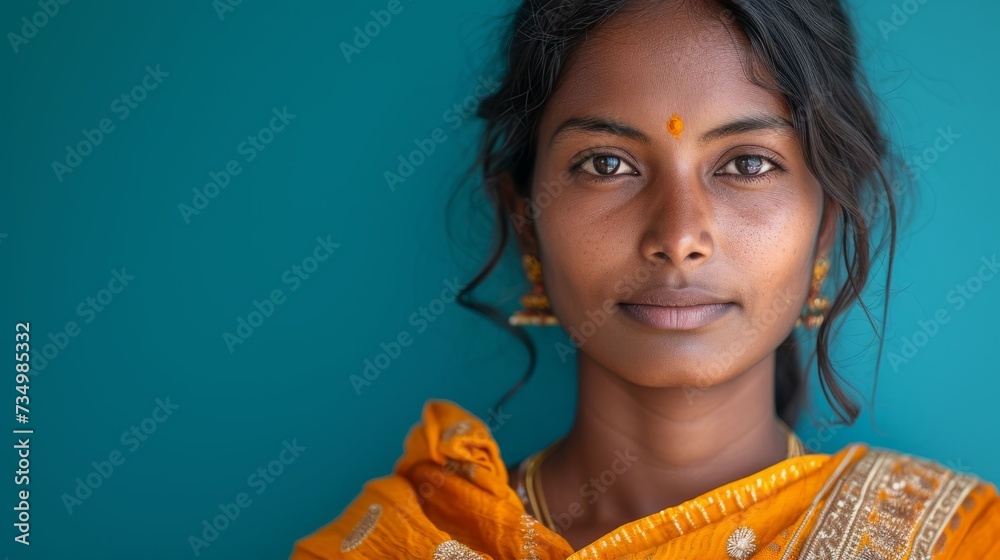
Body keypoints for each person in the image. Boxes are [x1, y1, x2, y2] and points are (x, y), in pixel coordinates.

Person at [289, 0, 1000, 557]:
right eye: (606, 164)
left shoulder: (955, 543)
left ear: (825, 226)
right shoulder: (394, 544)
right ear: (528, 220)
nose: (679, 236)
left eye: (747, 163)